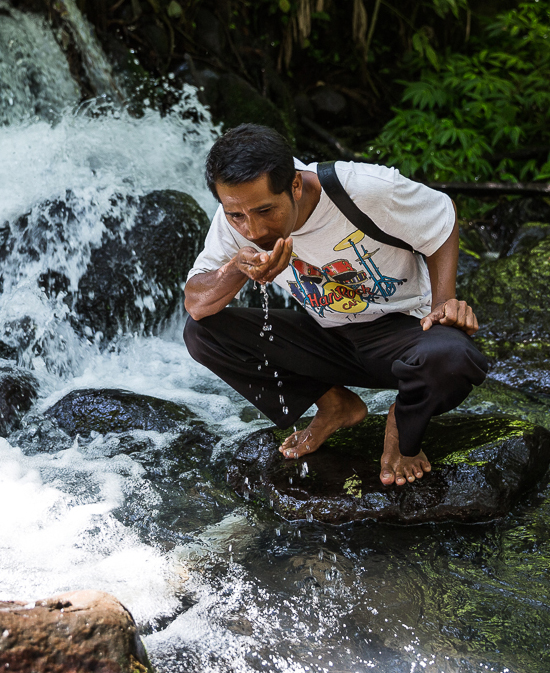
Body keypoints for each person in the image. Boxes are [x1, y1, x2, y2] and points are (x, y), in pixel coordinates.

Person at [183, 123, 488, 486]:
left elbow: (441, 215)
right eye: (237, 215)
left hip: (402, 336)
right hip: (326, 335)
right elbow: (197, 304)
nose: (252, 229)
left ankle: (402, 422)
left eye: (266, 210)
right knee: (202, 334)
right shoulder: (236, 215)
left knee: (456, 358)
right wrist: (236, 269)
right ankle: (335, 405)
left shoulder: (364, 189)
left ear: (295, 185)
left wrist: (444, 302)